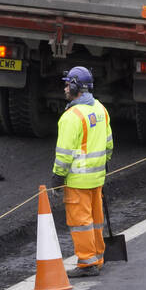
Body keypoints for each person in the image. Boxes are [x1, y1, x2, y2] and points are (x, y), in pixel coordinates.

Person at [51, 66, 112, 277]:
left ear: (77, 87)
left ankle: (87, 263)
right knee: (95, 219)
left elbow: (64, 153)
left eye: (68, 84)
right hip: (97, 178)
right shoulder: (101, 109)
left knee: (80, 223)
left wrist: (58, 176)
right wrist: (103, 165)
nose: (65, 87)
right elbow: (109, 144)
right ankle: (98, 257)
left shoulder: (71, 117)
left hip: (77, 180)